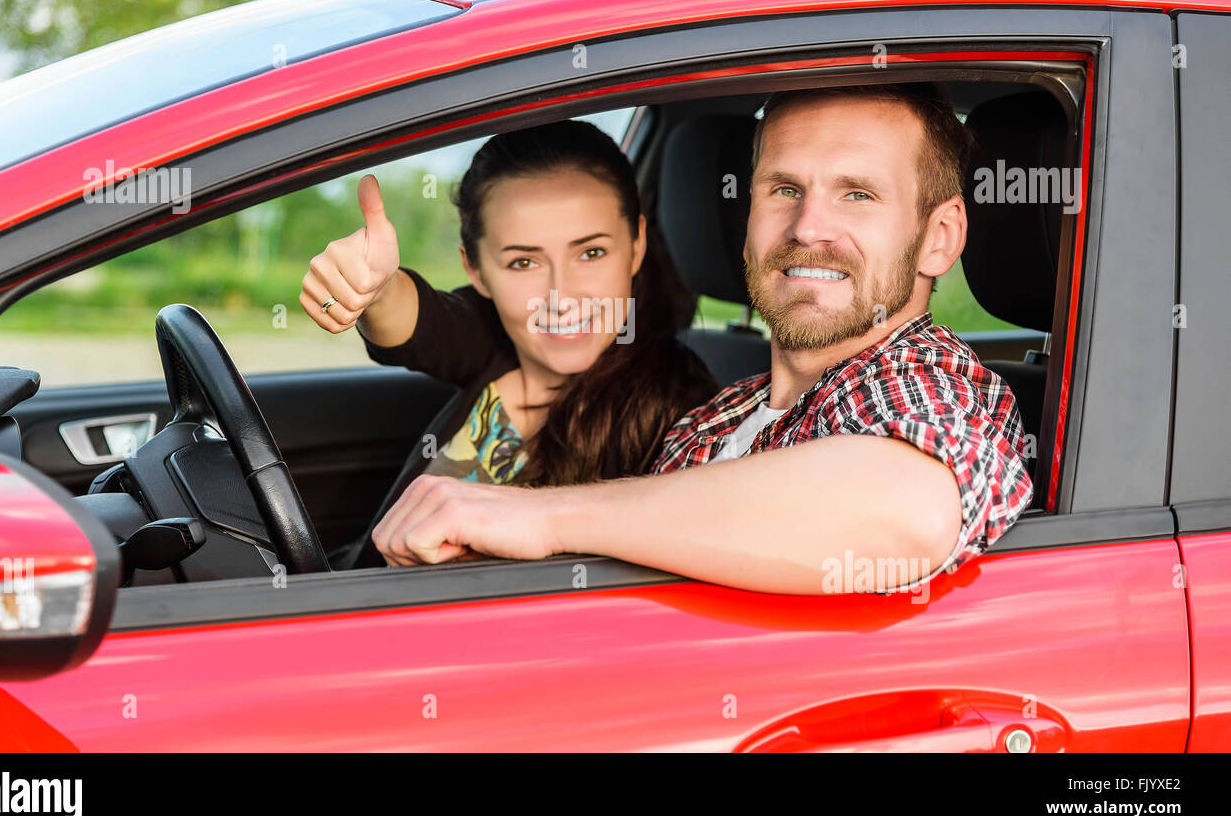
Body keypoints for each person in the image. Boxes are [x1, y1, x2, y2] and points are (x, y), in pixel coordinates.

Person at [365, 83, 1035, 595]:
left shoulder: (928, 379)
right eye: (783, 188)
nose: (807, 226)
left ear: (939, 237)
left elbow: (911, 506)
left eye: (857, 194)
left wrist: (543, 517)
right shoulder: (714, 417)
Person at [301, 120, 719, 567]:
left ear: (635, 245)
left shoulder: (685, 403)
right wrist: (372, 288)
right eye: (523, 262)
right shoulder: (496, 339)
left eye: (591, 253)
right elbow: (415, 319)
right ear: (476, 269)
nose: (561, 297)